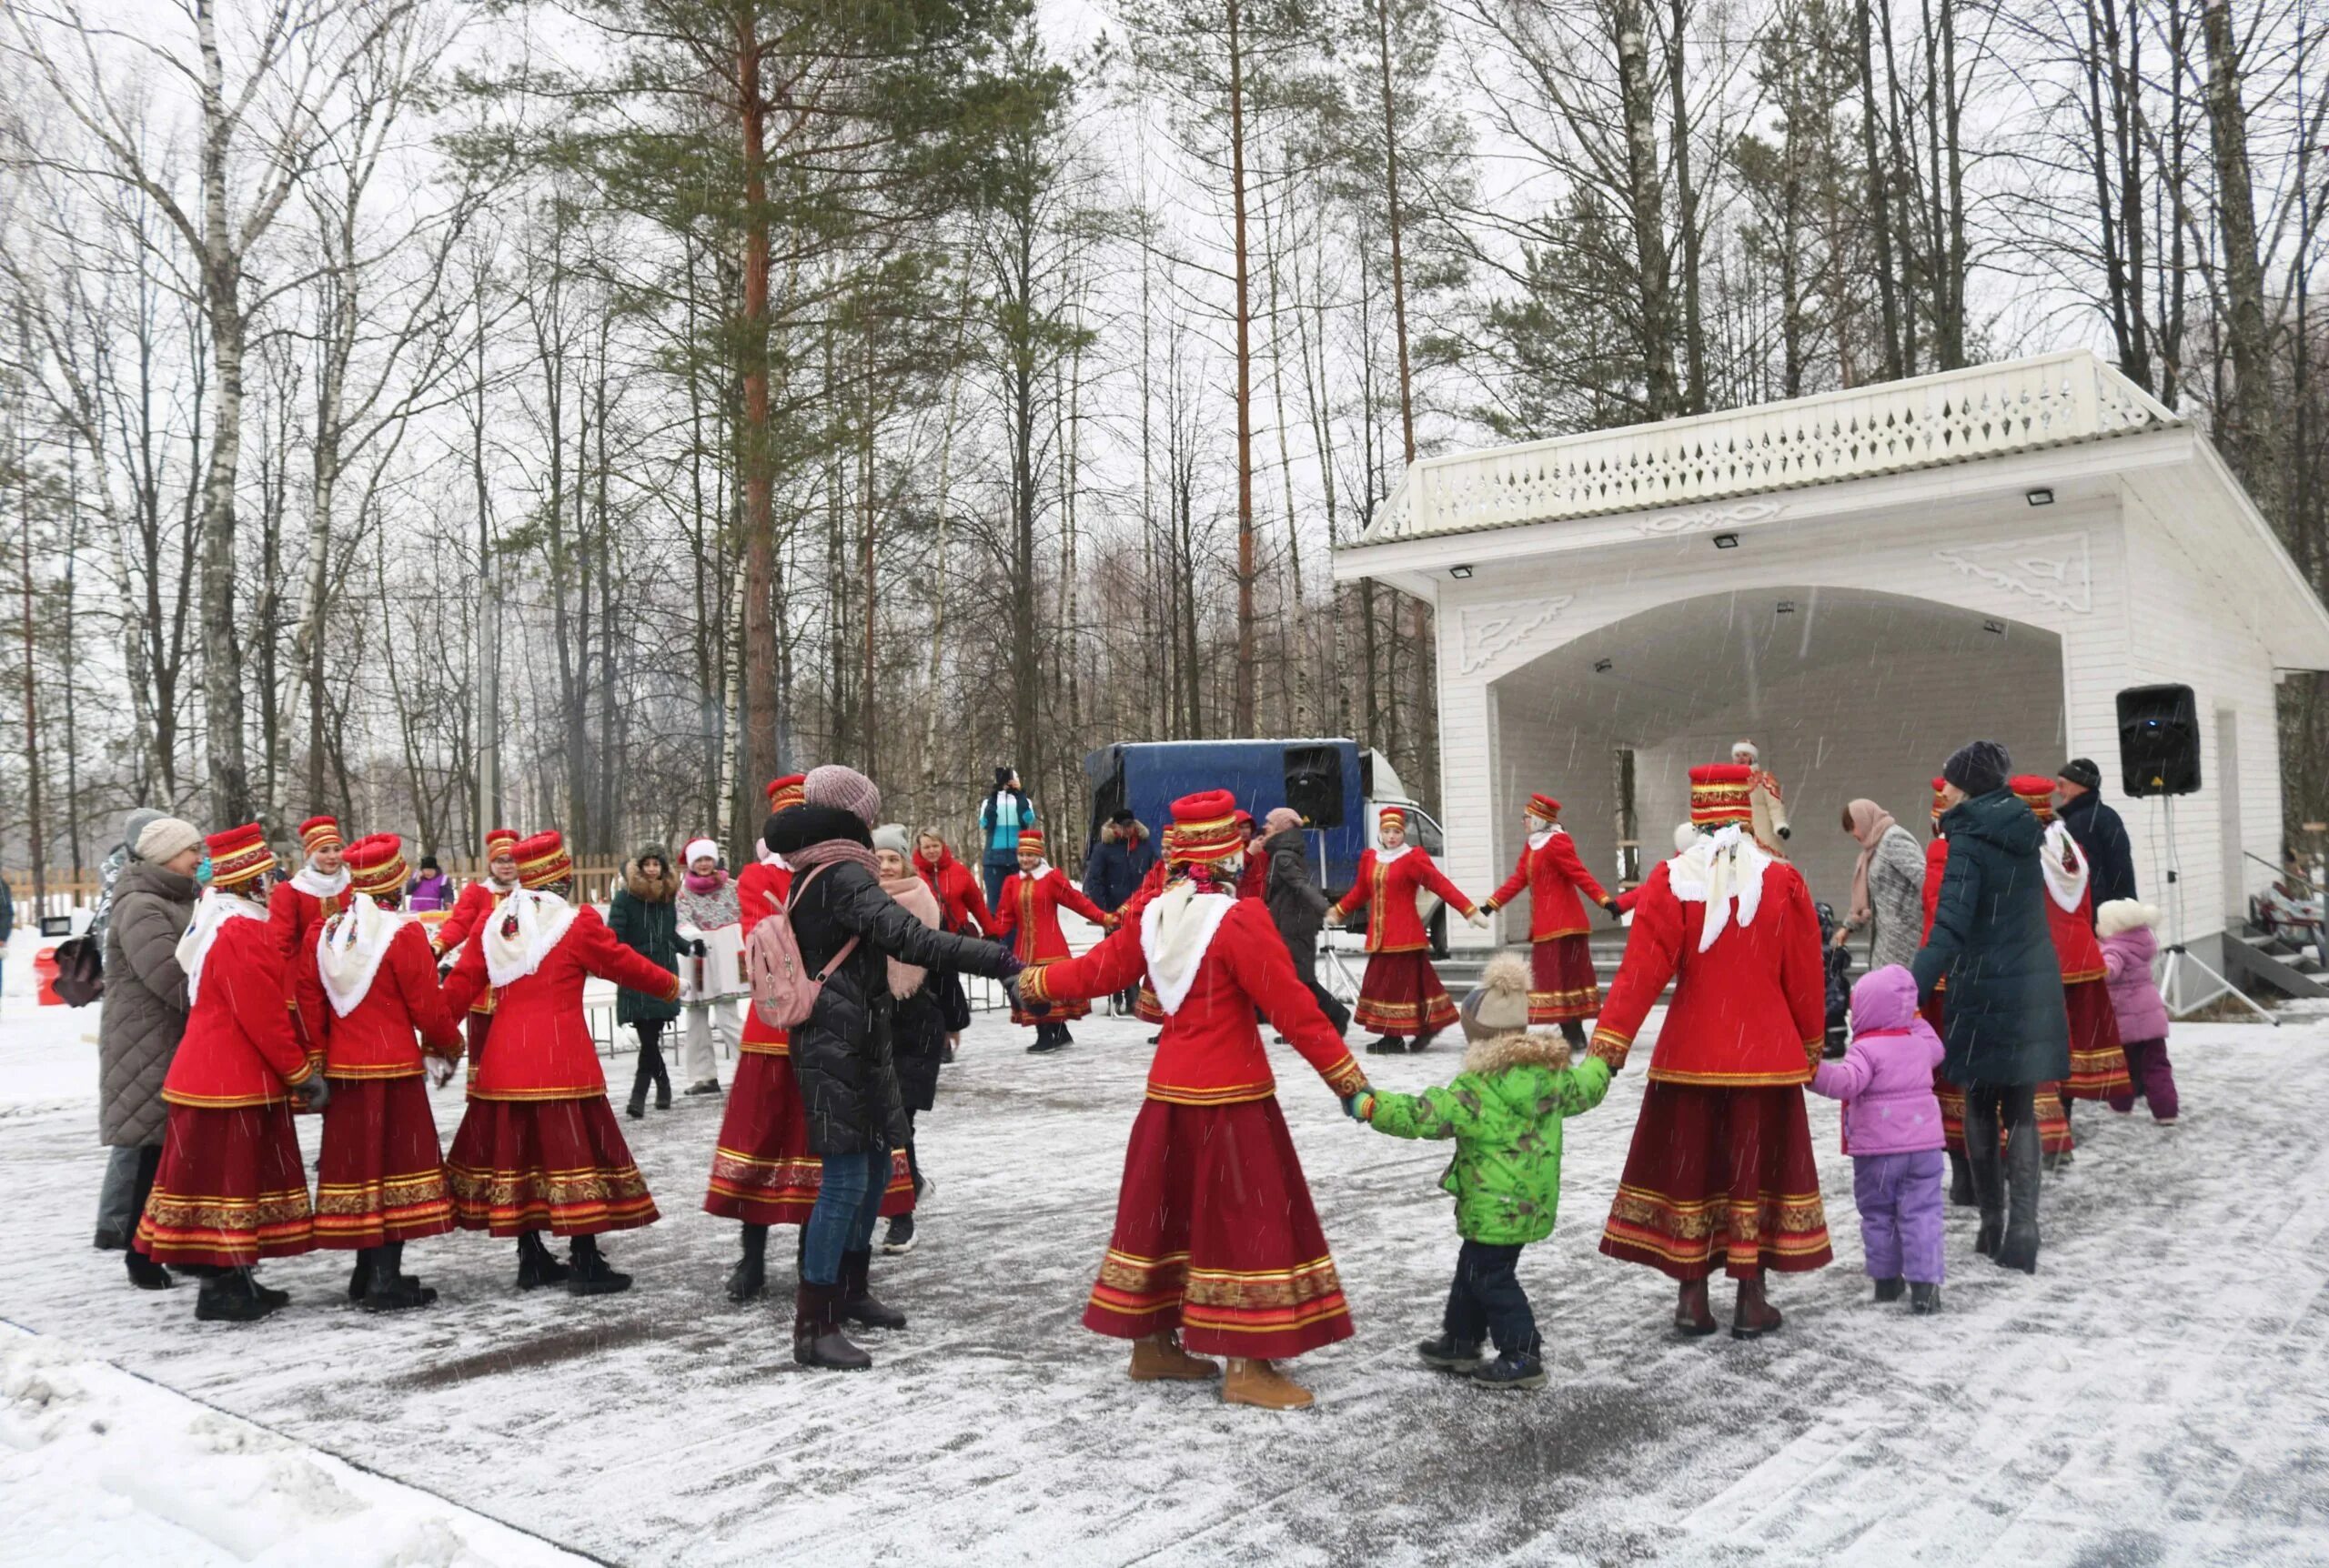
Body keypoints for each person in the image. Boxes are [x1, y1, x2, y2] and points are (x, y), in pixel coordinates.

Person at [1012, 789, 1370, 1411]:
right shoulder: (1240, 920)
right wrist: (1349, 1082)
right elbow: (1295, 1009)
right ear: (1230, 853)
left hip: (1169, 1099)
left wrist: (1034, 979)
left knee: (1164, 1217)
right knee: (1245, 1223)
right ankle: (1247, 1364)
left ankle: (1153, 1345)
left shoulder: (1156, 914)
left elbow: (1097, 973)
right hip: (1233, 1099)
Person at [766, 767, 1022, 1371]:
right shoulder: (840, 873)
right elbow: (911, 938)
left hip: (859, 1037)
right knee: (846, 1179)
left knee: (880, 1162)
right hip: (836, 1043)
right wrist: (1000, 959)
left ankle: (851, 1290)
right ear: (854, 814)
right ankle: (815, 1324)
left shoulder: (822, 865)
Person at [1592, 764, 1831, 1339]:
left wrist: (1609, 1046)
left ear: (1696, 815)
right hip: (1764, 1056)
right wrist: (1810, 1045)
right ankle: (1751, 1298)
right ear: (1745, 814)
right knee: (1754, 1171)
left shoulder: (1672, 879)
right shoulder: (1783, 880)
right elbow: (1805, 975)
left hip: (1691, 1054)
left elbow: (1640, 973)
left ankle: (1691, 1299)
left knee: (1692, 1171)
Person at [1349, 952, 1611, 1389]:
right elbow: (1590, 1086)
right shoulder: (1552, 1078)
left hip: (1493, 1204)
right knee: (1474, 1268)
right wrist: (1603, 1059)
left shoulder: (1477, 1089)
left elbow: (1424, 1115)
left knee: (1489, 1276)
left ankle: (1522, 1353)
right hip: (1530, 1202)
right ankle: (1461, 1340)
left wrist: (1372, 1106)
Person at [440, 829, 680, 1296]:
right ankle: (585, 1260)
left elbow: (461, 985)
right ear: (563, 877)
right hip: (560, 1059)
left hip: (505, 1062)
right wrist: (670, 984)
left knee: (520, 1157)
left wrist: (436, 1035)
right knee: (573, 1158)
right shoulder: (575, 924)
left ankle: (531, 1257)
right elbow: (621, 963)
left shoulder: (493, 924)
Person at [133, 824, 326, 1322]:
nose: (275, 885)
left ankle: (235, 1276)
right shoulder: (241, 931)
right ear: (250, 881)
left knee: (222, 1180)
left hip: (215, 1073)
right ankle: (220, 1287)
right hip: (230, 1077)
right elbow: (262, 1015)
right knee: (228, 1183)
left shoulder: (220, 919)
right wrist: (300, 1072)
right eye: (269, 876)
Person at [1911, 741, 2070, 1276]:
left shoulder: (1967, 840)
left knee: (1979, 1103)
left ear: (1969, 786)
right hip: (2032, 982)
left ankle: (1991, 1222)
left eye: (1952, 782)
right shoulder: (2025, 829)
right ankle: (2024, 1227)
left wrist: (1911, 990)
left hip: (1982, 983)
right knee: (2021, 1105)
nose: (1946, 791)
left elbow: (1950, 927)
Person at [306, 834, 462, 1312]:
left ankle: (365, 1269)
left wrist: (318, 1058)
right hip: (392, 1068)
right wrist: (449, 1043)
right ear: (396, 882)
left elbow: (310, 1002)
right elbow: (427, 1006)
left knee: (361, 1169)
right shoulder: (403, 935)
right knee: (395, 1169)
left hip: (345, 1071)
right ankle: (384, 1278)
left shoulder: (327, 931)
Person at [95, 815, 201, 1284]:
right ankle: (140, 1256)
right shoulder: (142, 905)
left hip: (172, 1039)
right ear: (165, 856)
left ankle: (176, 1247)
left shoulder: (177, 899)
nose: (198, 859)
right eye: (190, 850)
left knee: (176, 1151)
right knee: (149, 1152)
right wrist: (224, 1000)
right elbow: (170, 978)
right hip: (146, 1043)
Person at [1808, 966, 1947, 1313]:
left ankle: (1887, 1280)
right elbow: (1937, 1047)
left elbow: (1845, 1083)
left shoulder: (1865, 1050)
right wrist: (1911, 1016)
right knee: (1923, 1214)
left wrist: (1810, 1071)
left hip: (1878, 1153)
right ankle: (1925, 1288)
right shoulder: (1920, 1045)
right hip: (1925, 1149)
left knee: (1879, 1215)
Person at [2012, 776, 2132, 1148]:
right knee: (2071, 1041)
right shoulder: (2068, 847)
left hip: (2041, 958)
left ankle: (2048, 1129)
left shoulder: (2020, 852)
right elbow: (2084, 904)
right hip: (2079, 955)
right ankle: (2062, 1114)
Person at [1326, 806, 1487, 1054]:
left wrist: (1469, 910)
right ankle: (1425, 1027)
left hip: (1404, 935)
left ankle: (1394, 1037)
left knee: (1396, 988)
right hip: (1381, 936)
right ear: (1380, 833)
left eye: (1397, 832)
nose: (1392, 837)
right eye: (1387, 831)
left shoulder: (1411, 858)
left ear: (1404, 834)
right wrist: (1339, 910)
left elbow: (1439, 884)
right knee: (1412, 986)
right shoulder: (1371, 859)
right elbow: (1361, 891)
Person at [89, 804, 173, 1251]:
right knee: (140, 1128)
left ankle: (121, 1223)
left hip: (136, 1019)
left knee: (140, 1127)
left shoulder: (127, 883)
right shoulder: (137, 892)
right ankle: (119, 1224)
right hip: (140, 1022)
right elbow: (158, 967)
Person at [1478, 792, 1618, 1047]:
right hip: (1546, 925)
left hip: (1565, 925)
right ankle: (1572, 1034)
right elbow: (1518, 879)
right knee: (1554, 981)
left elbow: (1579, 873)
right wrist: (1491, 904)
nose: (1523, 821)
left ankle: (1573, 1034)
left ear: (1539, 820)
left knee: (1564, 981)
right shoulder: (1533, 845)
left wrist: (1604, 900)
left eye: (1526, 817)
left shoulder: (1556, 842)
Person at [873, 825, 947, 1255]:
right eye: (878, 859)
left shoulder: (923, 900)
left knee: (899, 1121)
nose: (885, 866)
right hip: (872, 1023)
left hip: (916, 1024)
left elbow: (942, 960)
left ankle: (902, 1217)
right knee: (887, 1123)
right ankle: (911, 1183)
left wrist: (954, 1020)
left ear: (905, 862)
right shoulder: (859, 900)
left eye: (893, 859)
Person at [992, 828, 1115, 1054]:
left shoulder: (1051, 879)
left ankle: (1049, 1036)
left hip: (1050, 947)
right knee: (1030, 990)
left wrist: (1102, 917)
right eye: (1022, 855)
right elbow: (1004, 916)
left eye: (1030, 855)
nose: (1025, 859)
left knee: (1047, 990)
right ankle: (1057, 1034)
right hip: (1023, 949)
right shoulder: (1012, 882)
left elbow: (1076, 901)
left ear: (1039, 855)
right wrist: (991, 934)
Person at [428, 828, 520, 1094]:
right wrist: (440, 945)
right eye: (500, 860)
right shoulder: (478, 893)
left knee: (515, 1052)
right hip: (482, 991)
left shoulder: (529, 893)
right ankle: (482, 1105)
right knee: (482, 1055)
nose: (506, 866)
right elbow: (460, 922)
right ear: (490, 864)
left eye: (511, 860)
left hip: (517, 988)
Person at [269, 814, 350, 1077]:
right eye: (324, 850)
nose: (332, 856)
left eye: (337, 849)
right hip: (305, 977)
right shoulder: (291, 891)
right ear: (310, 854)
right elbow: (280, 940)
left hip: (348, 973)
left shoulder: (352, 886)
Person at [1259, 807, 1350, 1035]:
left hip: (1295, 926)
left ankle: (1336, 1014)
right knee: (1294, 978)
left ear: (1281, 828)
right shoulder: (1283, 851)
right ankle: (1301, 1024)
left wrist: (1326, 909)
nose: (1265, 827)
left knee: (1300, 980)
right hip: (1291, 922)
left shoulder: (1282, 856)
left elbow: (1301, 884)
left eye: (1270, 823)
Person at [608, 844, 683, 1118]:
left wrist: (689, 947)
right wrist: (626, 957)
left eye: (656, 864)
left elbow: (670, 935)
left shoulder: (667, 896)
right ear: (639, 868)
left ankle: (642, 1096)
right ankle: (658, 1087)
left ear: (663, 868)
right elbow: (614, 935)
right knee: (648, 1039)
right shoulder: (625, 898)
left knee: (651, 1038)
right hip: (636, 973)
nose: (652, 869)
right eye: (647, 864)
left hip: (663, 972)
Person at [2099, 900, 2178, 1125]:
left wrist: (2093, 962)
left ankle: (2121, 1105)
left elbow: (2109, 972)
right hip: (2151, 1017)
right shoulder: (2142, 942)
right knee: (2157, 1065)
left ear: (2113, 926)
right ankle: (2166, 1111)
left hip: (2126, 1020)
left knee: (2123, 1066)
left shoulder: (2114, 948)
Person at [674, 837, 742, 1097]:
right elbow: (681, 921)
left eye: (707, 859)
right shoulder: (683, 893)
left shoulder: (731, 887)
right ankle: (703, 1076)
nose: (704, 864)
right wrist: (694, 937)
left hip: (725, 956)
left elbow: (747, 912)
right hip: (698, 957)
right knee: (696, 1018)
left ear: (714, 861)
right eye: (699, 860)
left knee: (728, 1016)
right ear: (692, 863)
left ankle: (749, 1067)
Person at [913, 828, 989, 1060]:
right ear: (919, 849)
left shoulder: (959, 871)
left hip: (951, 942)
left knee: (947, 991)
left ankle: (946, 1041)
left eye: (935, 845)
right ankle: (929, 1040)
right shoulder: (913, 874)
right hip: (922, 941)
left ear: (943, 846)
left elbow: (977, 903)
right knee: (925, 993)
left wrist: (992, 930)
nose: (931, 851)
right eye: (926, 847)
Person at [1837, 799, 1925, 971]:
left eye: (1853, 827)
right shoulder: (1873, 848)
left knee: (1896, 985)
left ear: (1864, 820)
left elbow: (1923, 878)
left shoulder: (1893, 839)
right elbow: (1868, 894)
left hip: (1905, 938)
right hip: (1886, 939)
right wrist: (1848, 926)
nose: (1853, 834)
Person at [1083, 810, 1156, 1014]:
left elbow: (1154, 873)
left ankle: (1133, 995)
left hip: (1140, 909)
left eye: (1130, 825)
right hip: (1114, 910)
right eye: (1123, 826)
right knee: (1116, 955)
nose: (1127, 829)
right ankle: (1120, 996)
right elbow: (1095, 881)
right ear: (1114, 827)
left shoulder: (1144, 846)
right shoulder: (1104, 849)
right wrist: (1105, 910)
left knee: (1135, 954)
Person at [2054, 759, 2136, 916]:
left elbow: (2090, 877)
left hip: (2102, 916)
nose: (2058, 790)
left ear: (2078, 785)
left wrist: (2094, 919)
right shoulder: (2108, 815)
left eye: (2062, 784)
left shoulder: (2080, 822)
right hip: (2121, 911)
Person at [978, 766, 1037, 911]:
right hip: (994, 861)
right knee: (995, 906)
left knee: (1020, 904)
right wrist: (993, 798)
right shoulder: (988, 802)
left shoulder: (1025, 801)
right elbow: (985, 824)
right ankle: (995, 927)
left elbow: (1028, 819)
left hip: (1019, 860)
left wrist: (1019, 795)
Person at [1732, 740, 1791, 855]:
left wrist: (1780, 824)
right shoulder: (1729, 782)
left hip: (1762, 833)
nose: (1741, 758)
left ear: (1752, 757)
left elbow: (1775, 806)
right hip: (1738, 834)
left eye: (1745, 755)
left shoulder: (1764, 778)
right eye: (1737, 755)